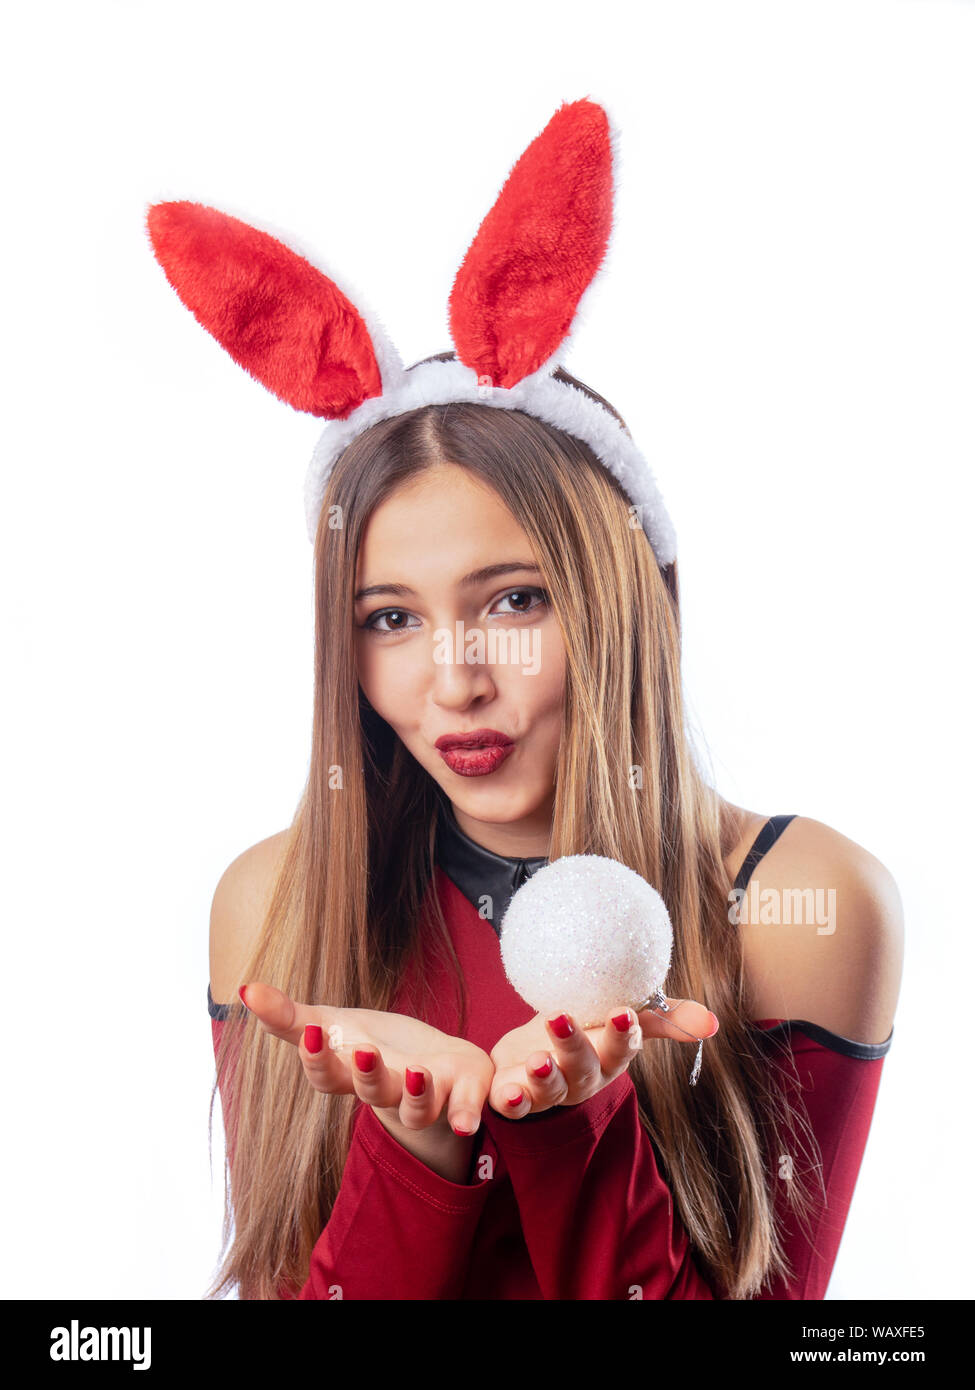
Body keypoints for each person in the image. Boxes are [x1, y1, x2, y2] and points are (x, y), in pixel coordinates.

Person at [147, 100, 903, 1301]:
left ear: (623, 601)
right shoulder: (273, 909)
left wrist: (571, 1129)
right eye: (388, 618)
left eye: (512, 601)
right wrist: (414, 1151)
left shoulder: (798, 910)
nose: (453, 678)